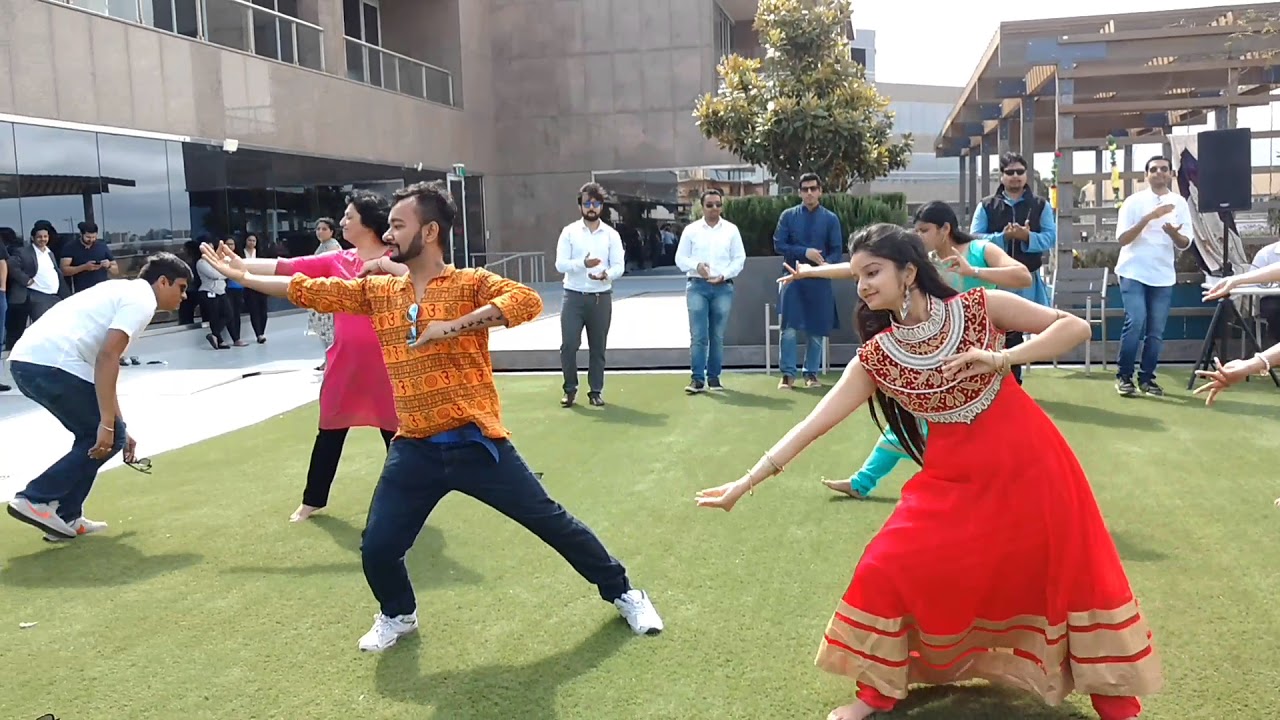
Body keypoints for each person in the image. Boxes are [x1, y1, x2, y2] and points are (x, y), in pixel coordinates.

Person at [696, 224, 1162, 720]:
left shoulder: (979, 308)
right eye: (856, 277)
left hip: (1033, 465)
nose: (862, 286)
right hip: (951, 480)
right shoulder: (877, 357)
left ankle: (1117, 703)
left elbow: (1074, 327)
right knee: (886, 566)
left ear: (909, 271)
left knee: (1072, 576)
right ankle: (874, 694)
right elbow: (814, 425)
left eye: (872, 272)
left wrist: (1003, 358)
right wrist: (744, 483)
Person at [198, 180, 663, 652]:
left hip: (479, 443)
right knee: (378, 547)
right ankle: (398, 614)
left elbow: (526, 301)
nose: (390, 235)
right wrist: (245, 275)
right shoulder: (379, 292)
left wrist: (452, 327)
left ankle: (625, 592)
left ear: (431, 231)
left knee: (553, 523)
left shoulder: (470, 283)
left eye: (399, 226)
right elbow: (309, 289)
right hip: (414, 447)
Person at [779, 201, 1031, 498]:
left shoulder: (981, 250)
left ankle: (1002, 486)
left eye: (924, 230)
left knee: (993, 428)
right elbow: (857, 269)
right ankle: (866, 481)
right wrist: (809, 273)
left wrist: (973, 270)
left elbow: (1022, 276)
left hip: (987, 358)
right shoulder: (923, 262)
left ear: (945, 229)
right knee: (911, 423)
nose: (919, 235)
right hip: (940, 359)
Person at [211, 196, 399, 523]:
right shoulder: (337, 260)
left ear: (368, 223)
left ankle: (405, 504)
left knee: (397, 438)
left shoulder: (397, 262)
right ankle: (312, 500)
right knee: (330, 430)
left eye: (348, 216)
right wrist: (238, 266)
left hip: (390, 365)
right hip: (345, 364)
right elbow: (286, 268)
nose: (342, 222)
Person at [6, 253, 191, 541]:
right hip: (50, 364)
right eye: (181, 287)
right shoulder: (141, 300)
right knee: (105, 435)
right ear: (163, 282)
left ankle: (67, 516)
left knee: (101, 435)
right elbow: (107, 357)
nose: (184, 295)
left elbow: (102, 369)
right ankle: (36, 498)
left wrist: (117, 423)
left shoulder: (125, 292)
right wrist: (110, 424)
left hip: (29, 363)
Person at [969, 152, 1057, 383]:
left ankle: (1013, 382)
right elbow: (974, 239)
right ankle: (999, 381)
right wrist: (1002, 237)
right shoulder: (987, 205)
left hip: (1027, 279)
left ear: (1026, 175)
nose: (1015, 177)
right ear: (1001, 177)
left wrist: (1027, 236)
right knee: (998, 331)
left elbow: (1050, 237)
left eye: (1020, 172)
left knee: (1017, 330)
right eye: (1010, 172)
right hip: (995, 280)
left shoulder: (1040, 205)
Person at [1112, 155, 1194, 397]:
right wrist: (1149, 218)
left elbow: (1185, 242)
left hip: (1163, 275)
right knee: (1136, 320)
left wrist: (1172, 234)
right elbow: (1122, 239)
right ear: (1146, 175)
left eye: (1164, 169)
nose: (1159, 173)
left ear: (1171, 174)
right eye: (1154, 169)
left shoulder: (1179, 203)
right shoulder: (1133, 202)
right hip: (1132, 271)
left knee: (1156, 331)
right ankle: (1124, 377)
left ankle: (1147, 379)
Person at [554, 182, 625, 408]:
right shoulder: (569, 232)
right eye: (587, 204)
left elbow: (619, 266)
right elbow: (560, 264)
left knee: (598, 347)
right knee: (569, 345)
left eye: (595, 203)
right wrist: (582, 264)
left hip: (600, 297)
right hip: (573, 295)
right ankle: (570, 389)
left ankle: (596, 391)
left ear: (601, 206)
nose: (591, 208)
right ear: (580, 206)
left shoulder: (611, 235)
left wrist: (607, 274)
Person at [773, 172, 843, 389]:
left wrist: (822, 265)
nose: (810, 192)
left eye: (814, 188)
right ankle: (787, 374)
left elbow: (837, 251)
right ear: (800, 192)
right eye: (805, 189)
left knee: (817, 328)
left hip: (819, 279)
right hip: (793, 278)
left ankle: (810, 374)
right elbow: (779, 245)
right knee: (789, 327)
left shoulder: (830, 219)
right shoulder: (788, 216)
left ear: (820, 191)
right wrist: (806, 252)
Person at [674, 188, 745, 393]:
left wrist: (723, 275)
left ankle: (714, 378)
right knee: (698, 335)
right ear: (702, 207)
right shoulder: (691, 230)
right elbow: (680, 258)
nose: (714, 208)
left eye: (718, 204)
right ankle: (697, 379)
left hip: (723, 286)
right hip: (697, 285)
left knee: (717, 335)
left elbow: (739, 259)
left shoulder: (731, 230)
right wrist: (697, 266)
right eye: (710, 205)